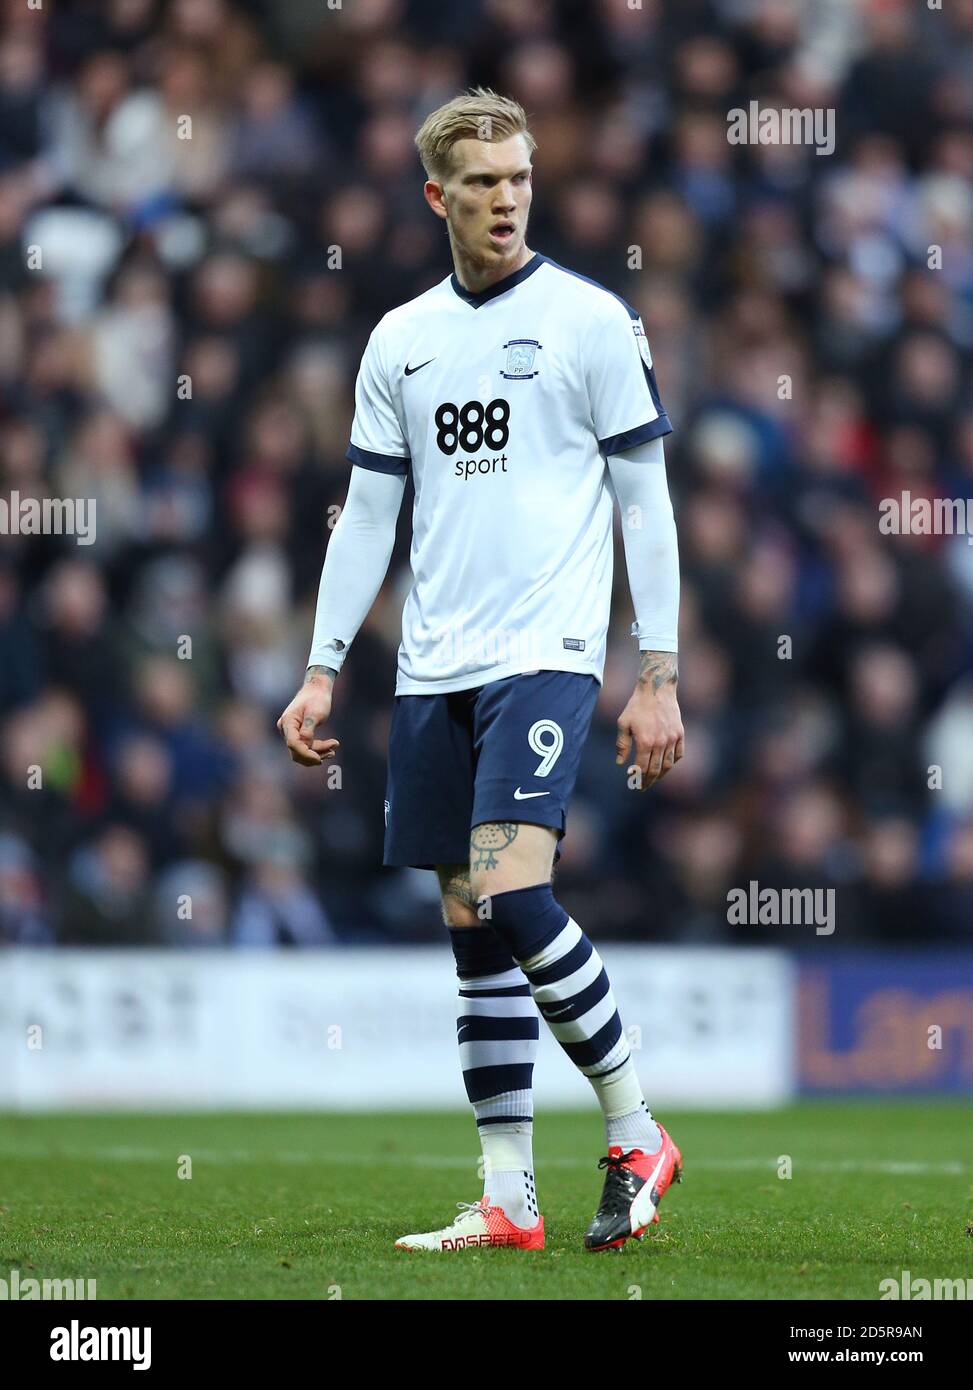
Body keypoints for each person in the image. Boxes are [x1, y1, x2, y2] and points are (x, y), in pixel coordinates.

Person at [278, 88, 684, 1253]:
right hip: (432, 663)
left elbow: (643, 502)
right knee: (466, 918)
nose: (506, 198)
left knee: (511, 888)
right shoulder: (400, 339)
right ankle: (508, 1192)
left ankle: (636, 1126)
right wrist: (319, 669)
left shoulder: (591, 321)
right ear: (437, 197)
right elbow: (364, 517)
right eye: (482, 182)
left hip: (543, 653)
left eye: (519, 177)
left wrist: (654, 668)